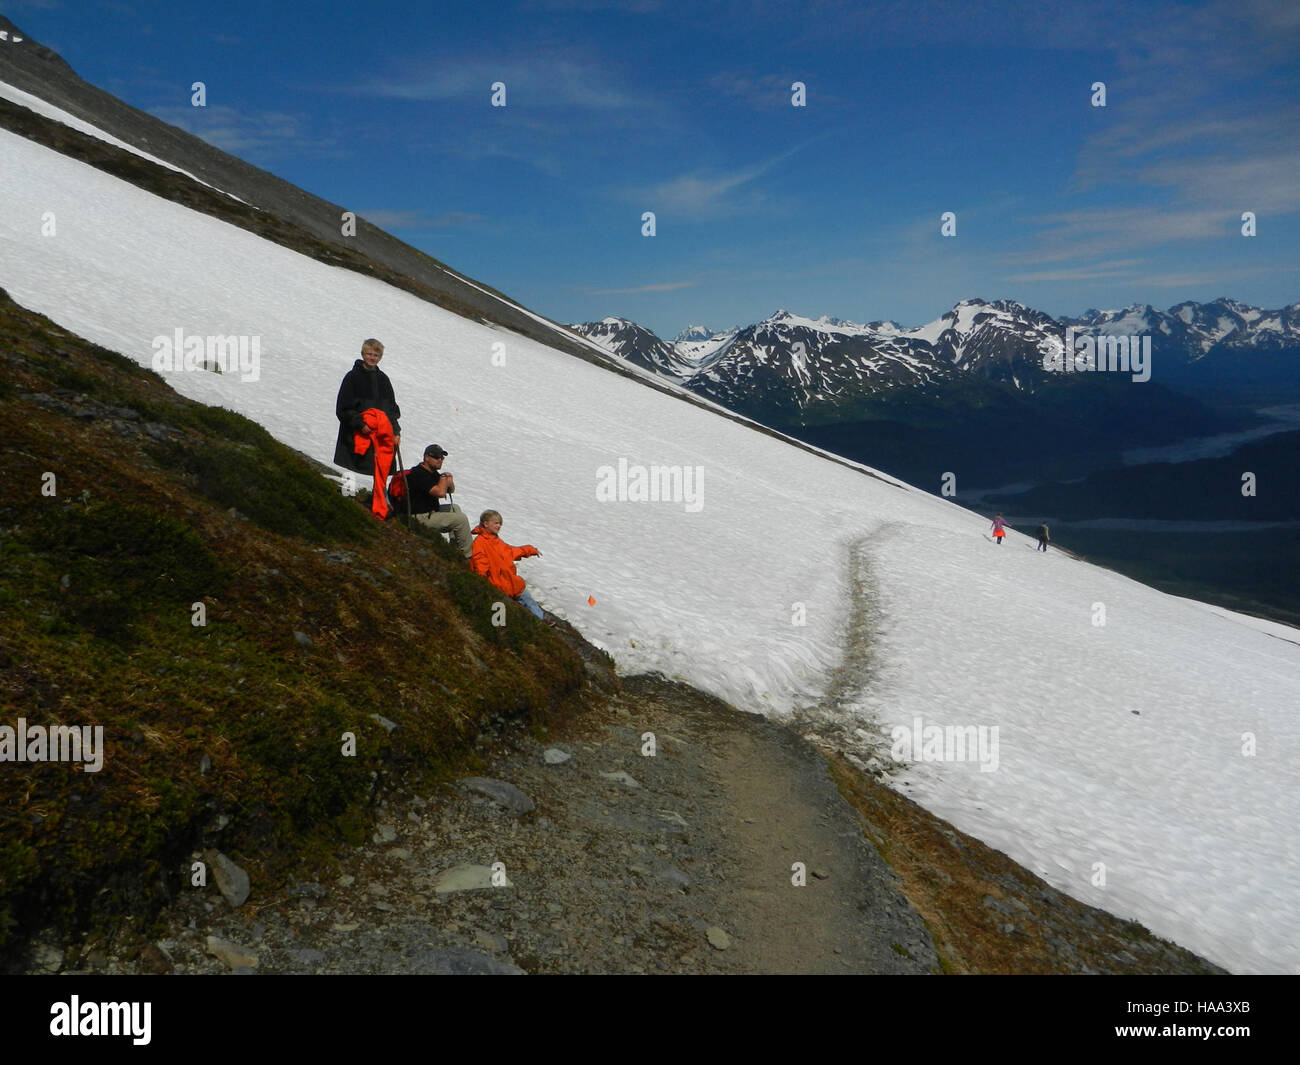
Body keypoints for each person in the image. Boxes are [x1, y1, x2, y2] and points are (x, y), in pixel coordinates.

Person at [333, 338, 402, 476]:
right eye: (369, 354)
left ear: (380, 357)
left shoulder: (383, 380)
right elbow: (343, 408)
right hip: (354, 437)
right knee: (351, 475)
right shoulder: (352, 377)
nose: (372, 358)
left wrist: (396, 432)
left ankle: (372, 497)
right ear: (363, 354)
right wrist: (360, 425)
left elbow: (392, 410)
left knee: (378, 473)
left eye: (376, 355)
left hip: (380, 437)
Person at [471, 509, 546, 620]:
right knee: (524, 600)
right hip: (498, 583)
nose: (499, 526)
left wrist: (529, 550)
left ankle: (540, 619)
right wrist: (482, 583)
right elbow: (480, 563)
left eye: (500, 523)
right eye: (496, 523)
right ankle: (541, 621)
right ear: (486, 524)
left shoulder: (495, 540)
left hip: (508, 581)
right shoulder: (480, 542)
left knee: (525, 597)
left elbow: (511, 551)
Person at [404, 444, 472, 557]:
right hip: (420, 516)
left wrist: (449, 482)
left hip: (429, 512)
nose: (440, 460)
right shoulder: (419, 474)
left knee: (455, 508)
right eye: (436, 457)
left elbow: (450, 490)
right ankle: (467, 556)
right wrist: (443, 480)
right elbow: (440, 493)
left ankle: (455, 547)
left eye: (442, 457)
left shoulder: (432, 473)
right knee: (461, 520)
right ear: (426, 457)